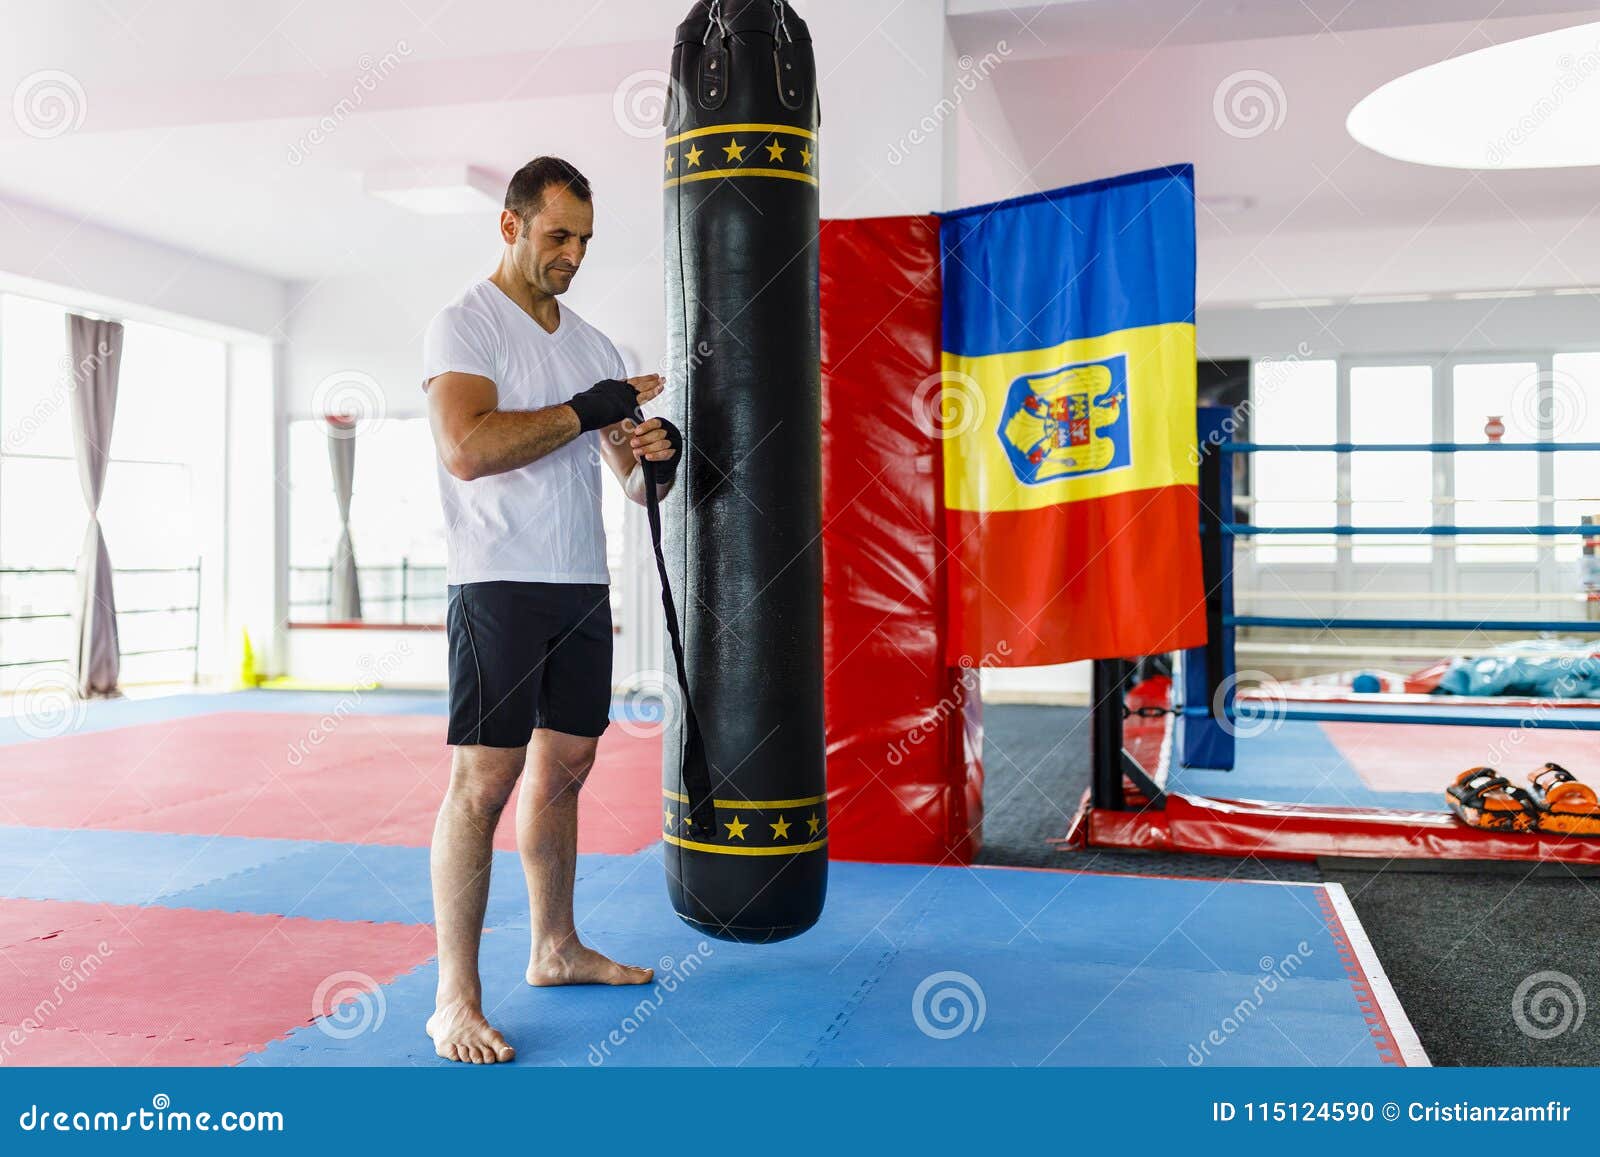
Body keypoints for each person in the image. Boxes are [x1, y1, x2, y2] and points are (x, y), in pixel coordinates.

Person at [420, 156, 680, 1065]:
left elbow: (632, 482)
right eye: (557, 235)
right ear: (511, 225)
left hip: (580, 583)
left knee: (566, 764)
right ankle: (454, 998)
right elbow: (467, 447)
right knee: (482, 783)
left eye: (583, 241)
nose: (572, 255)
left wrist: (657, 450)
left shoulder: (596, 345)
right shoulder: (466, 322)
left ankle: (555, 945)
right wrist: (583, 411)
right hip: (497, 579)